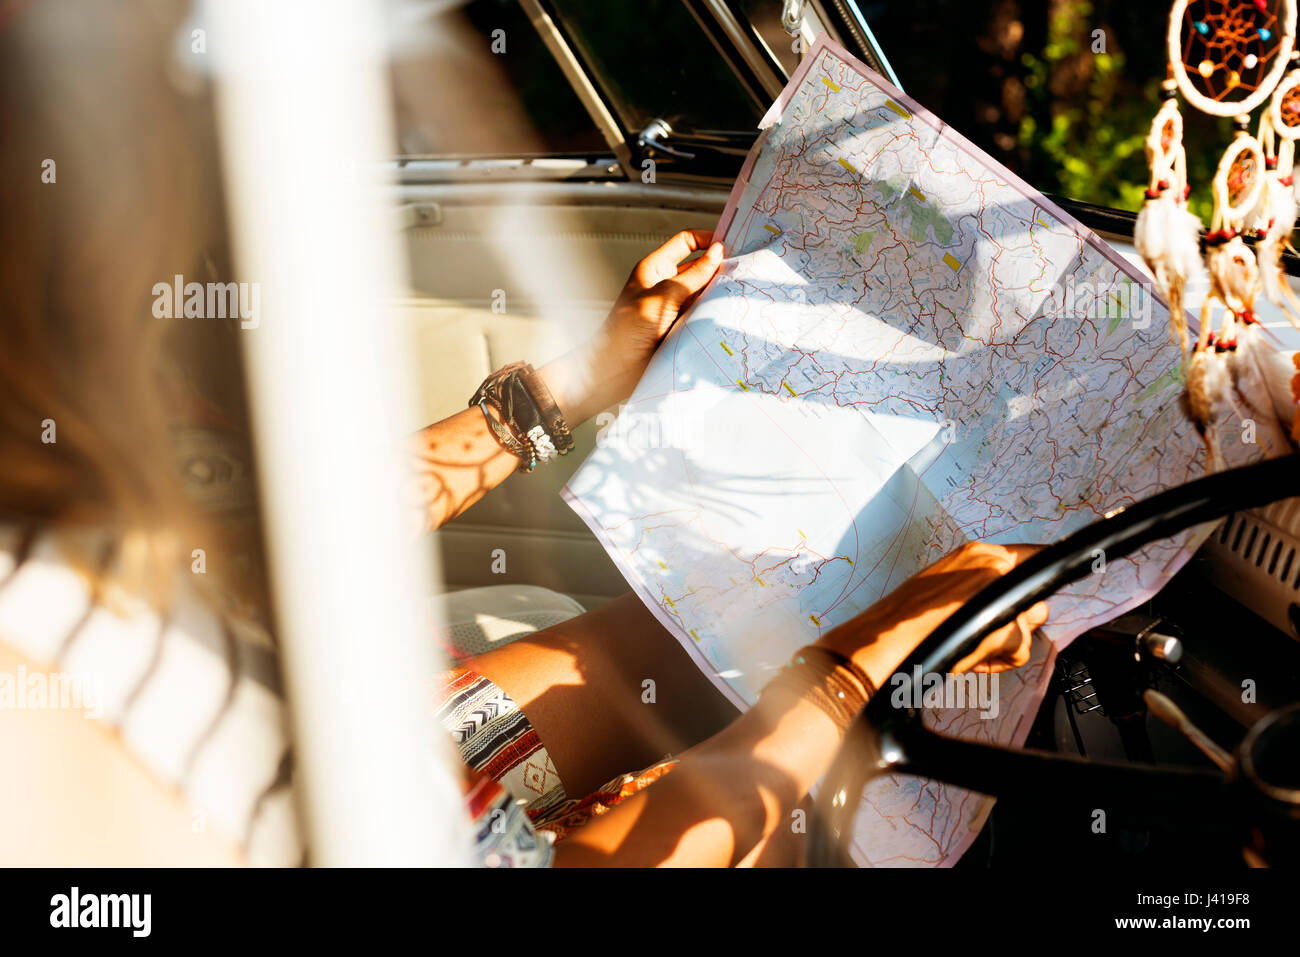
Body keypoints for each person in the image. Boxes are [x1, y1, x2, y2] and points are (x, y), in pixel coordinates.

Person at [0, 0, 1048, 867]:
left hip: (379, 739)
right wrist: (855, 675)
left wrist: (566, 391)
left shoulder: (52, 518)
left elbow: (304, 541)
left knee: (669, 651)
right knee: (807, 819)